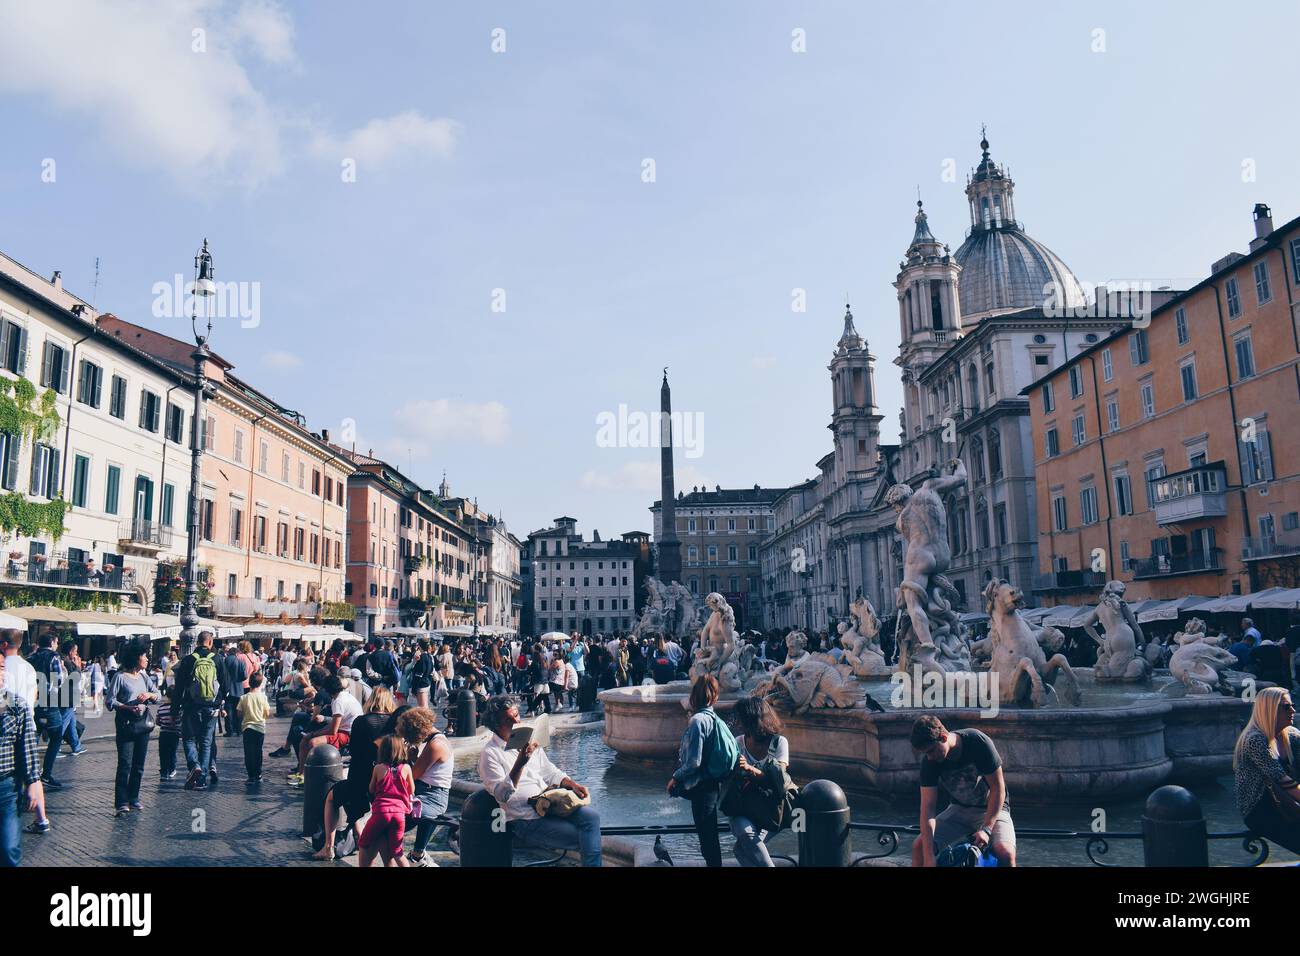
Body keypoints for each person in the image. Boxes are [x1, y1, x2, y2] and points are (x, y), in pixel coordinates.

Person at [478, 694, 601, 866]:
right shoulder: (490, 754)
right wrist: (520, 764)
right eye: (509, 720)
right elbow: (501, 795)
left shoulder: (527, 740)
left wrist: (572, 784)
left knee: (591, 817)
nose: (517, 722)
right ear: (496, 725)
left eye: (517, 715)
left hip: (550, 805)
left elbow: (549, 771)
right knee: (586, 837)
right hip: (525, 818)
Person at [910, 715, 1016, 867]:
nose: (930, 757)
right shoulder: (929, 761)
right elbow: (927, 808)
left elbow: (998, 789)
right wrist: (929, 858)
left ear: (944, 737)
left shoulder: (978, 742)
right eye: (926, 753)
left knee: (1005, 853)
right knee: (919, 847)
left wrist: (987, 829)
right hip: (960, 809)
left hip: (992, 808)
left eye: (932, 751)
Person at [313, 686, 397, 861]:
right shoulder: (394, 723)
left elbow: (355, 751)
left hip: (361, 778)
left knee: (332, 798)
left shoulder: (362, 721)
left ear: (371, 700)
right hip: (385, 781)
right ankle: (360, 837)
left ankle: (328, 847)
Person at [667, 674, 736, 868]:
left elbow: (693, 762)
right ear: (714, 696)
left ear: (694, 695)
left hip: (702, 786)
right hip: (711, 784)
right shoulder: (713, 718)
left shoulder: (698, 721)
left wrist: (675, 777)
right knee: (709, 837)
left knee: (708, 841)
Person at [1234, 686, 1300, 852]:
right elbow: (1280, 778)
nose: (1293, 710)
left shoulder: (1291, 734)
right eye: (1286, 707)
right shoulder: (1254, 739)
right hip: (1260, 808)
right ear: (1270, 710)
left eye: (1292, 705)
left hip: (1287, 802)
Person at [728, 696, 790, 867]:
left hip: (770, 810)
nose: (736, 722)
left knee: (740, 850)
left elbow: (779, 777)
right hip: (743, 807)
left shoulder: (778, 743)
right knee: (746, 837)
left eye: (740, 718)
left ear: (752, 719)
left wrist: (749, 768)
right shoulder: (738, 743)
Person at [106, 641, 161, 816]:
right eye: (144, 655)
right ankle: (121, 801)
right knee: (125, 764)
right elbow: (110, 701)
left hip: (143, 724)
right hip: (126, 724)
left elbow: (158, 696)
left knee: (139, 764)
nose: (146, 658)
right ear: (135, 657)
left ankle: (134, 797)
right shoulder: (120, 677)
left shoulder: (144, 677)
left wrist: (150, 695)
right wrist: (127, 707)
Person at [0, 649, 42, 866]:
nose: (1, 674)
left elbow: (27, 746)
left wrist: (33, 782)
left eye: (1, 668)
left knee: (8, 849)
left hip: (6, 786)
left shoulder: (16, 705)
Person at [396, 707, 452, 866]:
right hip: (425, 792)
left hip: (432, 797)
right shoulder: (435, 740)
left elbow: (412, 775)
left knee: (392, 823)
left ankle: (413, 857)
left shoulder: (435, 745)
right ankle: (417, 855)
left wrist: (407, 760)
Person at [173, 630, 226, 791]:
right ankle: (202, 779)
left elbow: (179, 687)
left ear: (197, 642)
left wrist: (174, 708)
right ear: (210, 643)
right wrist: (220, 703)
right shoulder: (217, 659)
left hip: (191, 706)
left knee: (188, 739)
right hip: (211, 707)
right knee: (206, 743)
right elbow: (225, 686)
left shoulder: (188, 660)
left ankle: (194, 765)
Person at [28, 630, 80, 790]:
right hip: (49, 702)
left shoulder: (31, 657)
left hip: (33, 702)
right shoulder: (54, 657)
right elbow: (59, 680)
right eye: (56, 642)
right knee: (56, 736)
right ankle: (46, 774)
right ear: (51, 643)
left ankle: (29, 774)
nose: (57, 645)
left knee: (32, 739)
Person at [357, 734, 414, 867]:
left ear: (382, 750)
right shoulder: (406, 768)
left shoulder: (378, 768)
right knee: (397, 852)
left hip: (381, 813)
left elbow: (371, 789)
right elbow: (411, 789)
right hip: (400, 815)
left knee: (363, 842)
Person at [237, 671, 269, 784]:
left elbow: (239, 713)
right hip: (260, 727)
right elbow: (267, 713)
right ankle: (258, 774)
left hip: (247, 727)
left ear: (249, 683)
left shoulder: (244, 698)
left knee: (249, 752)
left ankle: (251, 776)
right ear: (260, 684)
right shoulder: (263, 697)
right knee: (258, 751)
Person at [218, 644, 247, 737]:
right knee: (239, 711)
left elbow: (222, 674)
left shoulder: (226, 660)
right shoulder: (240, 661)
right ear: (237, 653)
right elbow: (245, 676)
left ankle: (229, 730)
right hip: (239, 689)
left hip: (228, 689)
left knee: (229, 710)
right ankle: (239, 730)